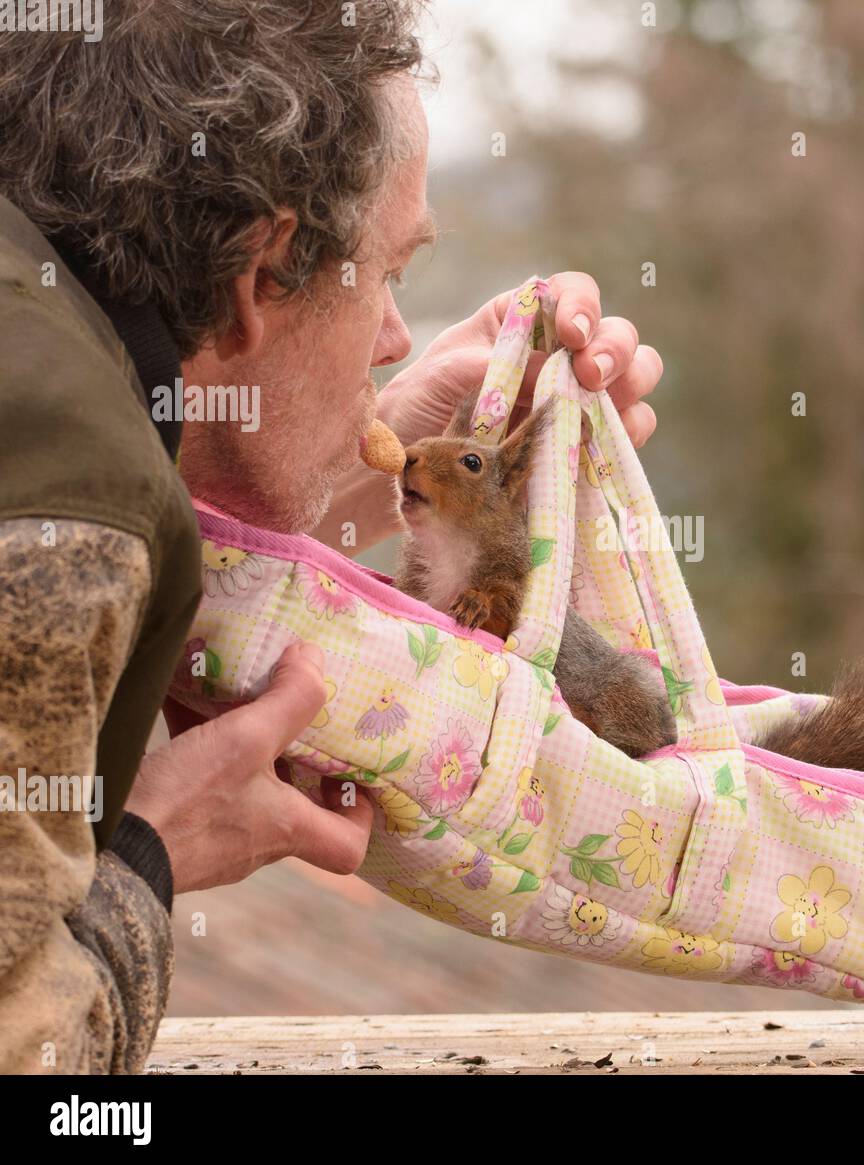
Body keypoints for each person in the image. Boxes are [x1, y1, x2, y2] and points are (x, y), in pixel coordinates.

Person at [0, 0, 662, 1074]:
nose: (396, 336)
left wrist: (390, 470)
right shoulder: (68, 501)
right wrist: (157, 848)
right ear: (267, 269)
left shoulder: (40, 361)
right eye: (390, 274)